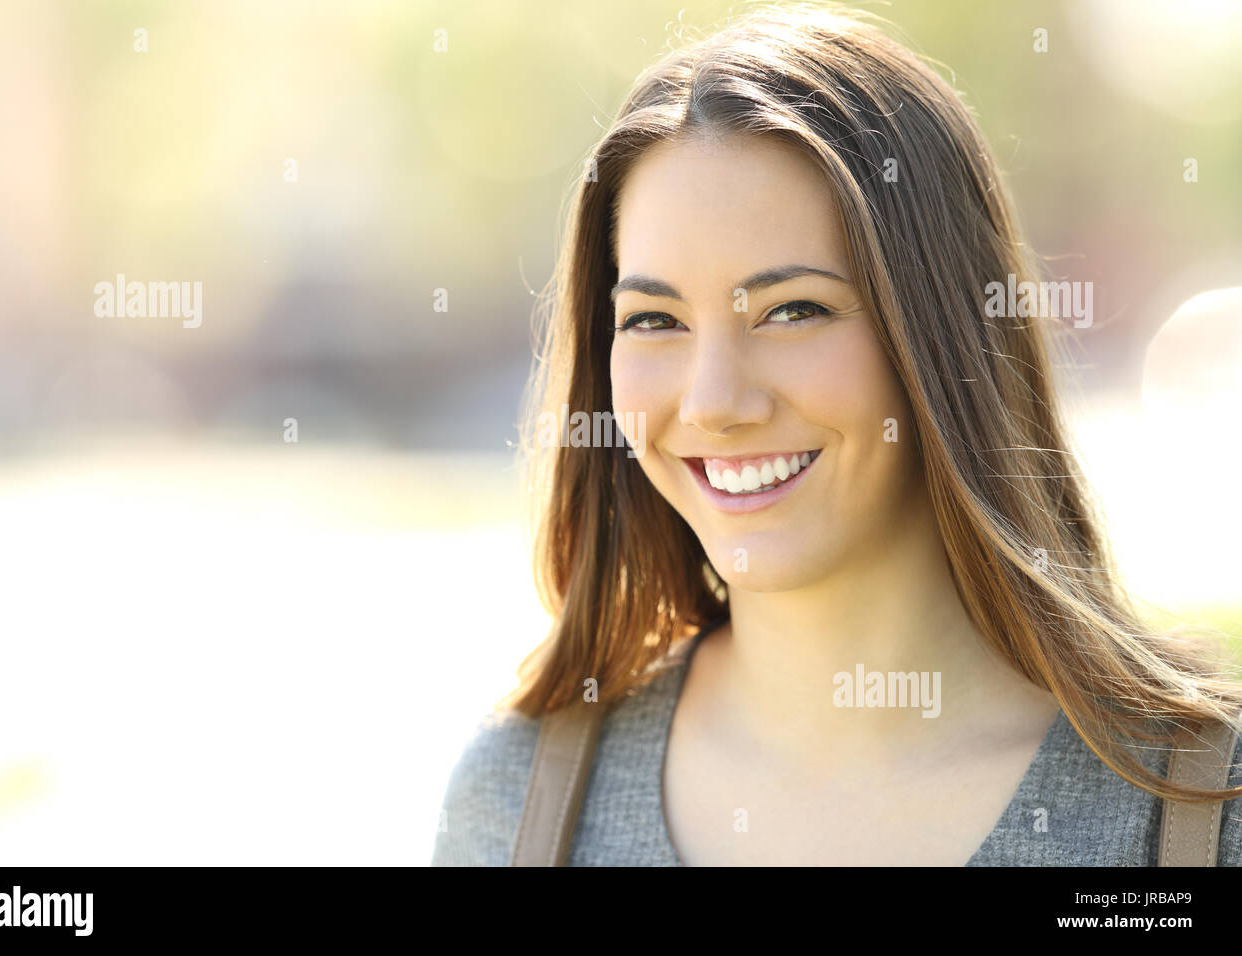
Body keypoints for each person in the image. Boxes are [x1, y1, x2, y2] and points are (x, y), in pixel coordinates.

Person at [432, 0, 1242, 866]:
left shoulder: (1197, 815)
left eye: (793, 310)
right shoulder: (520, 804)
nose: (713, 402)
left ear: (944, 336)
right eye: (655, 320)